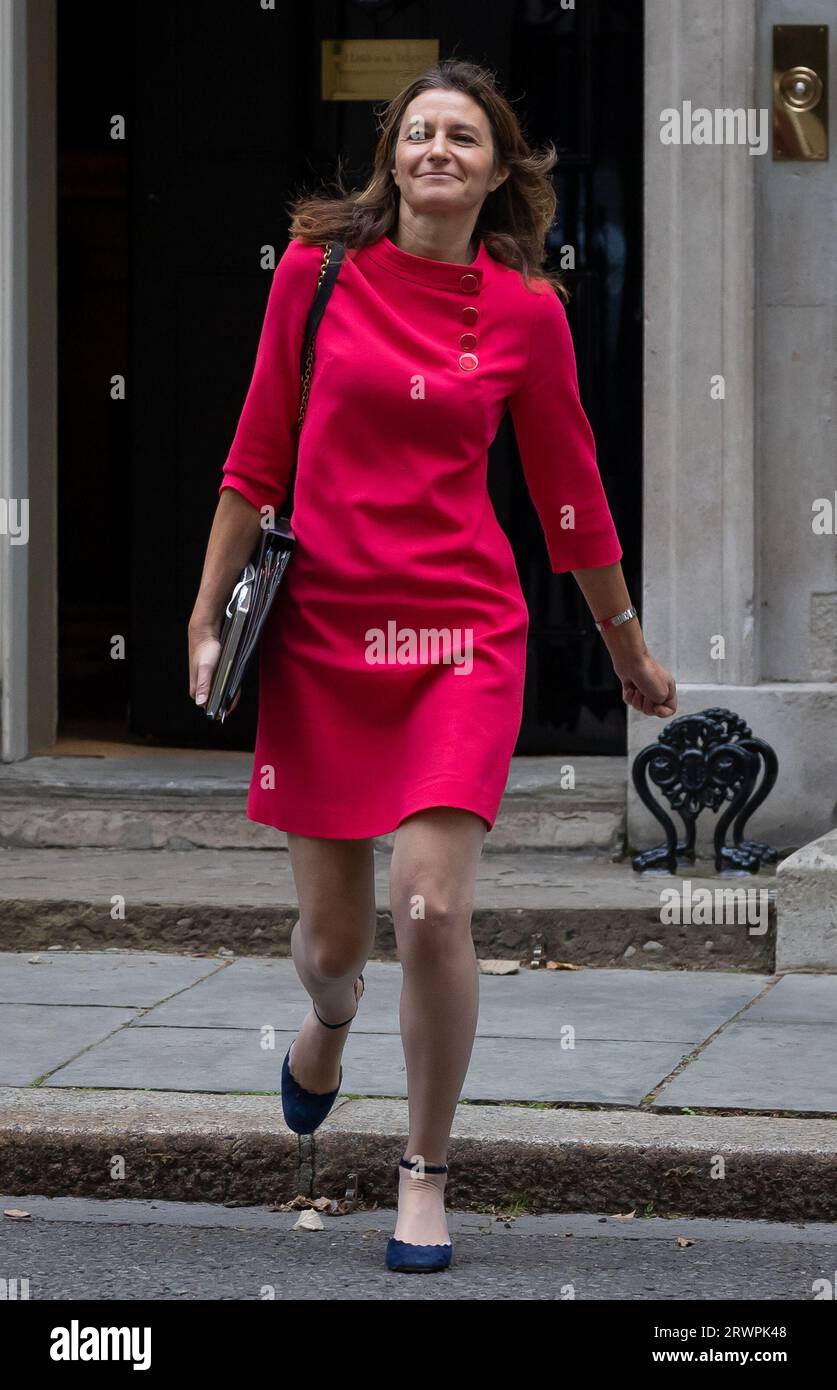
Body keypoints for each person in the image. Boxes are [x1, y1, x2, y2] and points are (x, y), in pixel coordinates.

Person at [188, 58, 677, 1275]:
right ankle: (327, 1024)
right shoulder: (314, 277)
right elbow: (255, 458)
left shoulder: (525, 312)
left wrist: (627, 645)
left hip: (460, 633)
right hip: (322, 637)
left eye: (465, 135)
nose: (439, 150)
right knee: (336, 939)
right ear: (392, 156)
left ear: (499, 168)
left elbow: (570, 499)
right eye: (420, 132)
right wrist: (205, 617)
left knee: (432, 905)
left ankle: (422, 1173)